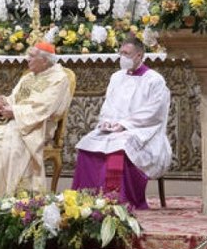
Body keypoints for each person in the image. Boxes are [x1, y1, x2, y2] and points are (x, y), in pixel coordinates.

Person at [0, 41, 73, 197]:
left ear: (44, 60)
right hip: (14, 121)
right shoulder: (29, 76)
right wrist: (3, 105)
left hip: (36, 126)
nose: (27, 59)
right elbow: (14, 98)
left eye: (32, 56)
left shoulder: (59, 79)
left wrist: (15, 112)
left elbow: (45, 108)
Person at [72, 36, 172, 209]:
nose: (122, 57)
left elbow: (154, 112)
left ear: (139, 56)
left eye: (127, 54)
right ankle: (87, 199)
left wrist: (125, 125)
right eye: (121, 53)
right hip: (114, 128)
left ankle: (117, 199)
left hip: (143, 131)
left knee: (120, 147)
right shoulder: (116, 77)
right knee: (87, 145)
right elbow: (109, 105)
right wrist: (106, 122)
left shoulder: (154, 80)